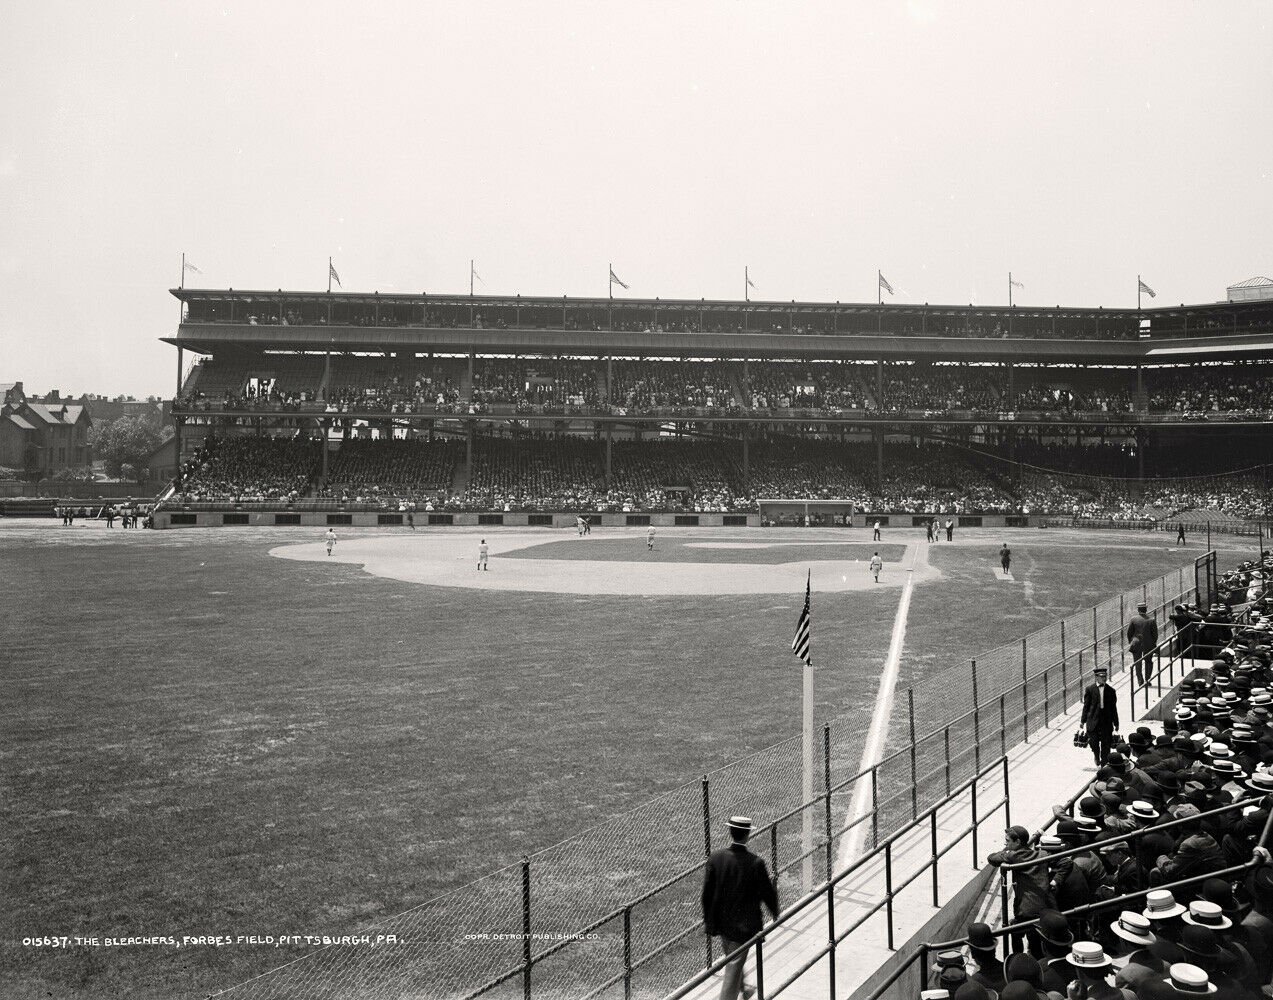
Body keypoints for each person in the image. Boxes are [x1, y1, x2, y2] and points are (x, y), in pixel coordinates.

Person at [700, 816, 778, 1000]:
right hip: (743, 928)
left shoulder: (716, 858)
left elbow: (706, 894)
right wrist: (776, 914)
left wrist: (708, 919)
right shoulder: (755, 863)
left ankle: (745, 989)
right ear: (748, 835)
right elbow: (768, 893)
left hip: (720, 923)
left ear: (731, 832)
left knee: (733, 959)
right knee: (734, 964)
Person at [1081, 667, 1119, 767]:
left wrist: (1116, 723)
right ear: (1096, 677)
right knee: (1094, 743)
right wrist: (1083, 720)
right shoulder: (1090, 689)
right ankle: (1096, 756)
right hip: (1093, 720)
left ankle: (1104, 764)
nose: (1104, 678)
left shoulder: (1111, 691)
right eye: (1102, 676)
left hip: (1106, 721)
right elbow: (1086, 706)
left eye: (1105, 676)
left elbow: (1113, 708)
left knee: (1106, 745)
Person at [1127, 602, 1158, 687]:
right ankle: (1147, 680)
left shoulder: (1133, 619)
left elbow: (1129, 632)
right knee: (1148, 662)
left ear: (1138, 610)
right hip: (1148, 644)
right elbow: (1155, 634)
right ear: (1146, 609)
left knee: (1137, 663)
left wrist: (1131, 641)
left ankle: (1140, 681)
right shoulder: (1151, 620)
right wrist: (1152, 643)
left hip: (1136, 643)